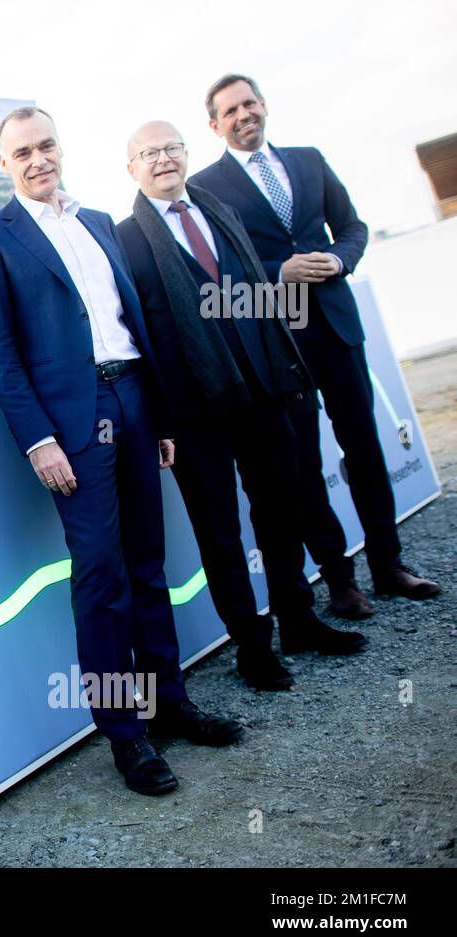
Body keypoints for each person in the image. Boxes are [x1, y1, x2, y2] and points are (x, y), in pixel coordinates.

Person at [0, 106, 242, 797]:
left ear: (61, 148)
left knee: (150, 565)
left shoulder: (97, 223)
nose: (37, 159)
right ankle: (124, 733)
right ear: (5, 164)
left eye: (46, 145)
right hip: (72, 424)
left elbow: (133, 323)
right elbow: (0, 354)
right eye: (21, 151)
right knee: (102, 579)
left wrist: (163, 416)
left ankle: (169, 701)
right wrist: (37, 437)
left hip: (137, 402)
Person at [115, 121, 367, 691]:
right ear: (130, 169)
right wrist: (157, 418)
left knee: (281, 511)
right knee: (220, 534)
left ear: (186, 154)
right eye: (148, 153)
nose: (162, 160)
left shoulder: (219, 214)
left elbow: (255, 296)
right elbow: (137, 335)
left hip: (260, 390)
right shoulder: (125, 239)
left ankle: (299, 621)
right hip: (191, 411)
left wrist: (285, 367)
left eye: (171, 148)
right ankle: (252, 648)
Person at [189, 74, 441, 616]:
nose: (243, 115)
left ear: (264, 105)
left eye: (249, 103)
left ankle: (388, 565)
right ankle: (339, 578)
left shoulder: (308, 160)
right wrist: (280, 272)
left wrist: (341, 258)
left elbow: (352, 226)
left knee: (365, 449)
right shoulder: (206, 188)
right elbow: (221, 273)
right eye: (229, 111)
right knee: (302, 465)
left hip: (337, 326)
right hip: (278, 341)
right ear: (215, 125)